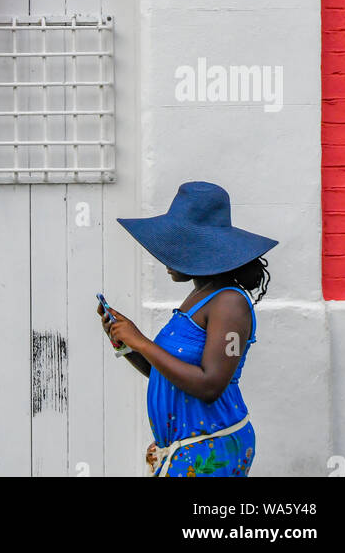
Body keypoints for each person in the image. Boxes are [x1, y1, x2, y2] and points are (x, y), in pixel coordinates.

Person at [99, 180, 277, 478]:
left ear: (202, 250)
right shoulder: (200, 295)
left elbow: (210, 386)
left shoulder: (230, 304)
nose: (164, 257)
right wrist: (124, 341)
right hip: (185, 449)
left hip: (211, 447)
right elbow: (167, 373)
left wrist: (141, 341)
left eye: (175, 247)